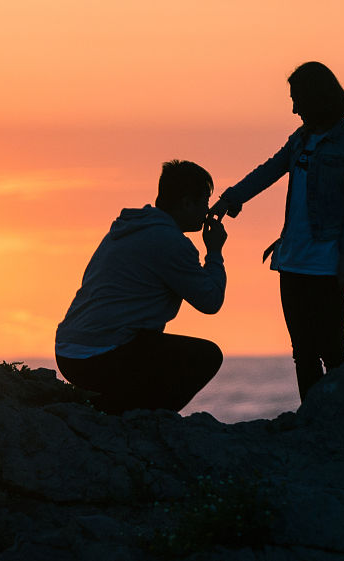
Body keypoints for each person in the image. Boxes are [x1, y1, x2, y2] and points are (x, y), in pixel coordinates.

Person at [208, 61, 344, 401]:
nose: (294, 108)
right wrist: (229, 199)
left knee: (332, 347)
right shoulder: (300, 140)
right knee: (303, 351)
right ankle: (311, 418)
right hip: (292, 257)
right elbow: (268, 171)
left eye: (297, 99)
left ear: (316, 98)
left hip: (327, 259)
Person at [55, 160, 228, 414]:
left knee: (150, 344)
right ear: (186, 203)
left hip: (69, 351)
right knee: (206, 357)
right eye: (204, 202)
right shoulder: (170, 241)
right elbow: (210, 301)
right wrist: (214, 252)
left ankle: (112, 408)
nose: (207, 210)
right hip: (99, 355)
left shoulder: (130, 227)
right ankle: (143, 420)